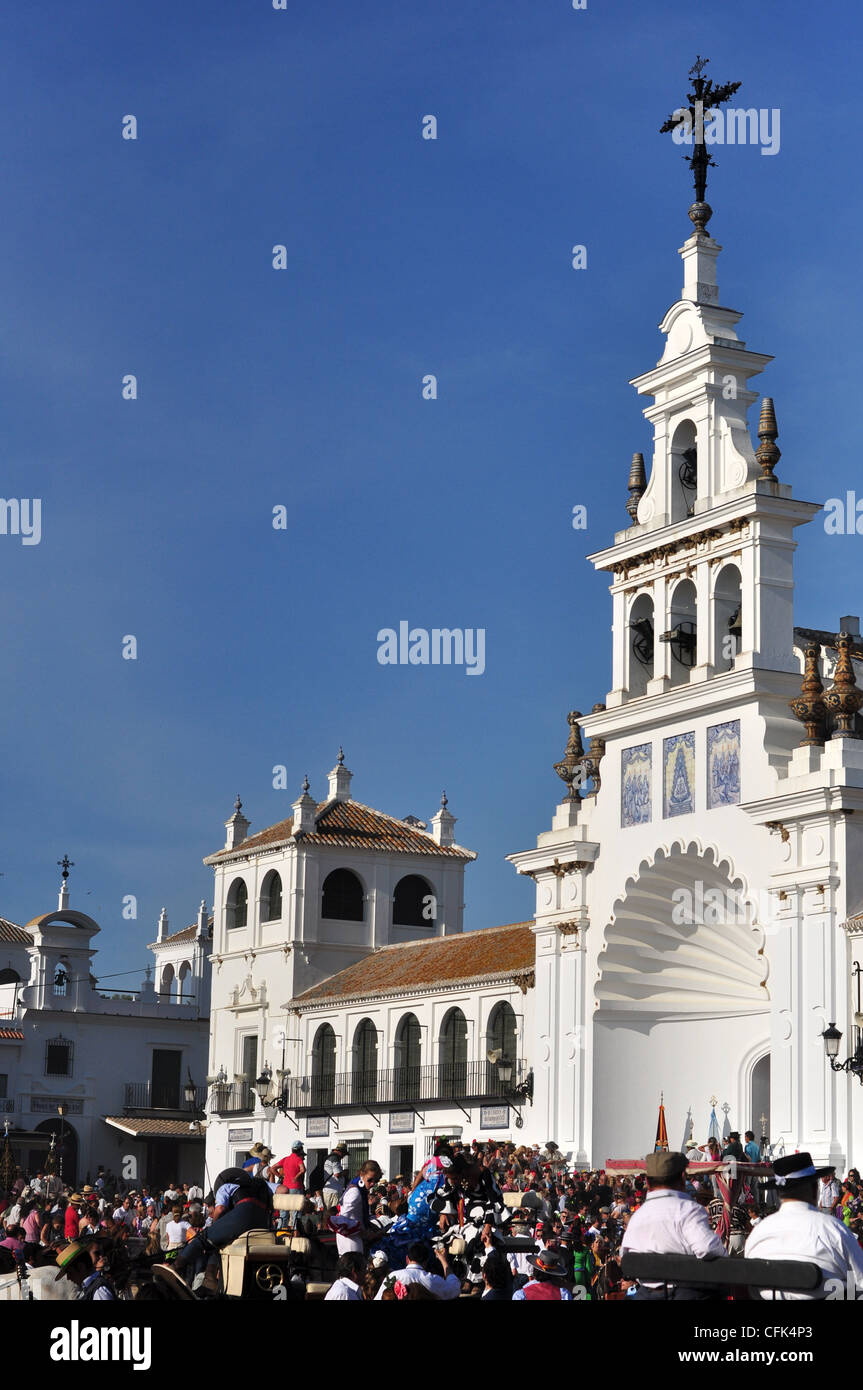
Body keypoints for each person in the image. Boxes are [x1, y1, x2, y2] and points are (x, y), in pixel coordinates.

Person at [745, 1152, 863, 1300]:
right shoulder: (834, 1230)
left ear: (778, 1192)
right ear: (815, 1189)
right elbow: (860, 1280)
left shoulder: (757, 1234)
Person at [620, 1151, 727, 1300]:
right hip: (684, 1292)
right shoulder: (689, 1210)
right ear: (683, 1178)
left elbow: (625, 1257)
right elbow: (708, 1249)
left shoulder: (638, 1216)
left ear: (648, 1183)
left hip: (645, 1294)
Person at [374, 1241, 461, 1300]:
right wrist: (443, 1260)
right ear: (426, 1261)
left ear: (407, 1259)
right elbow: (454, 1289)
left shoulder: (394, 1276)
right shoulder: (432, 1280)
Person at [331, 1161, 384, 1258]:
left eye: (375, 1180)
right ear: (362, 1174)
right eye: (370, 1180)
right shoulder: (355, 1192)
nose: (372, 1183)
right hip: (350, 1239)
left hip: (354, 1236)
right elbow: (342, 1219)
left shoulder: (358, 1188)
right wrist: (363, 1232)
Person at [322, 1143, 349, 1211]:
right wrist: (345, 1172)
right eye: (344, 1154)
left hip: (329, 1191)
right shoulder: (335, 1158)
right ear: (341, 1152)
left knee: (328, 1212)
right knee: (333, 1212)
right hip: (333, 1191)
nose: (343, 1157)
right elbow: (337, 1174)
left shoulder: (329, 1157)